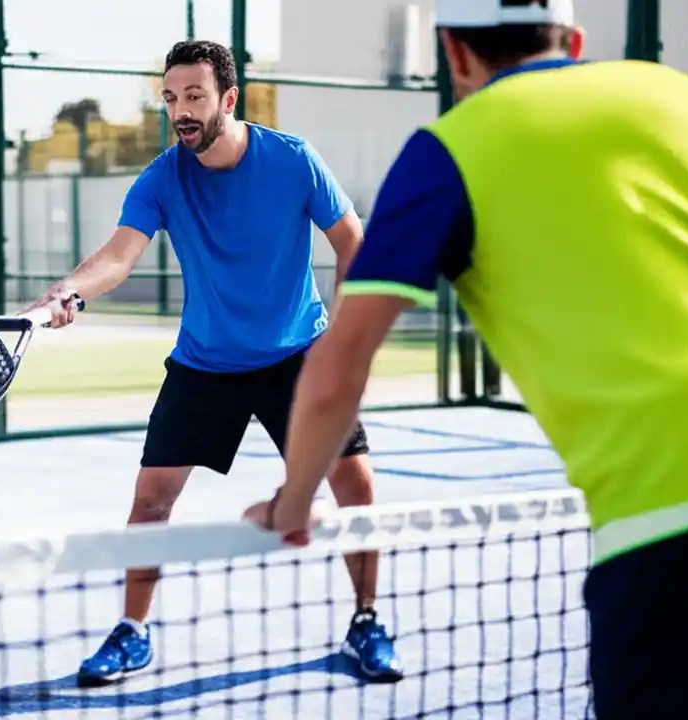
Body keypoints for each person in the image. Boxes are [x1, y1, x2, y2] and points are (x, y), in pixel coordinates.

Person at [244, 0, 688, 718]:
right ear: (572, 41)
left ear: (455, 54)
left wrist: (294, 502)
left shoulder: (449, 149)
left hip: (674, 499)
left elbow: (338, 366)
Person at [24, 39, 404, 687]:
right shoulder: (163, 178)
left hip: (298, 358)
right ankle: (133, 631)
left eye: (194, 97)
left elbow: (353, 243)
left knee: (356, 490)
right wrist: (70, 290)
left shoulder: (293, 161)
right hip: (204, 364)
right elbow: (118, 255)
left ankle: (367, 619)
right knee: (150, 503)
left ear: (229, 98)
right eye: (171, 99)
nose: (181, 111)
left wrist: (340, 344)